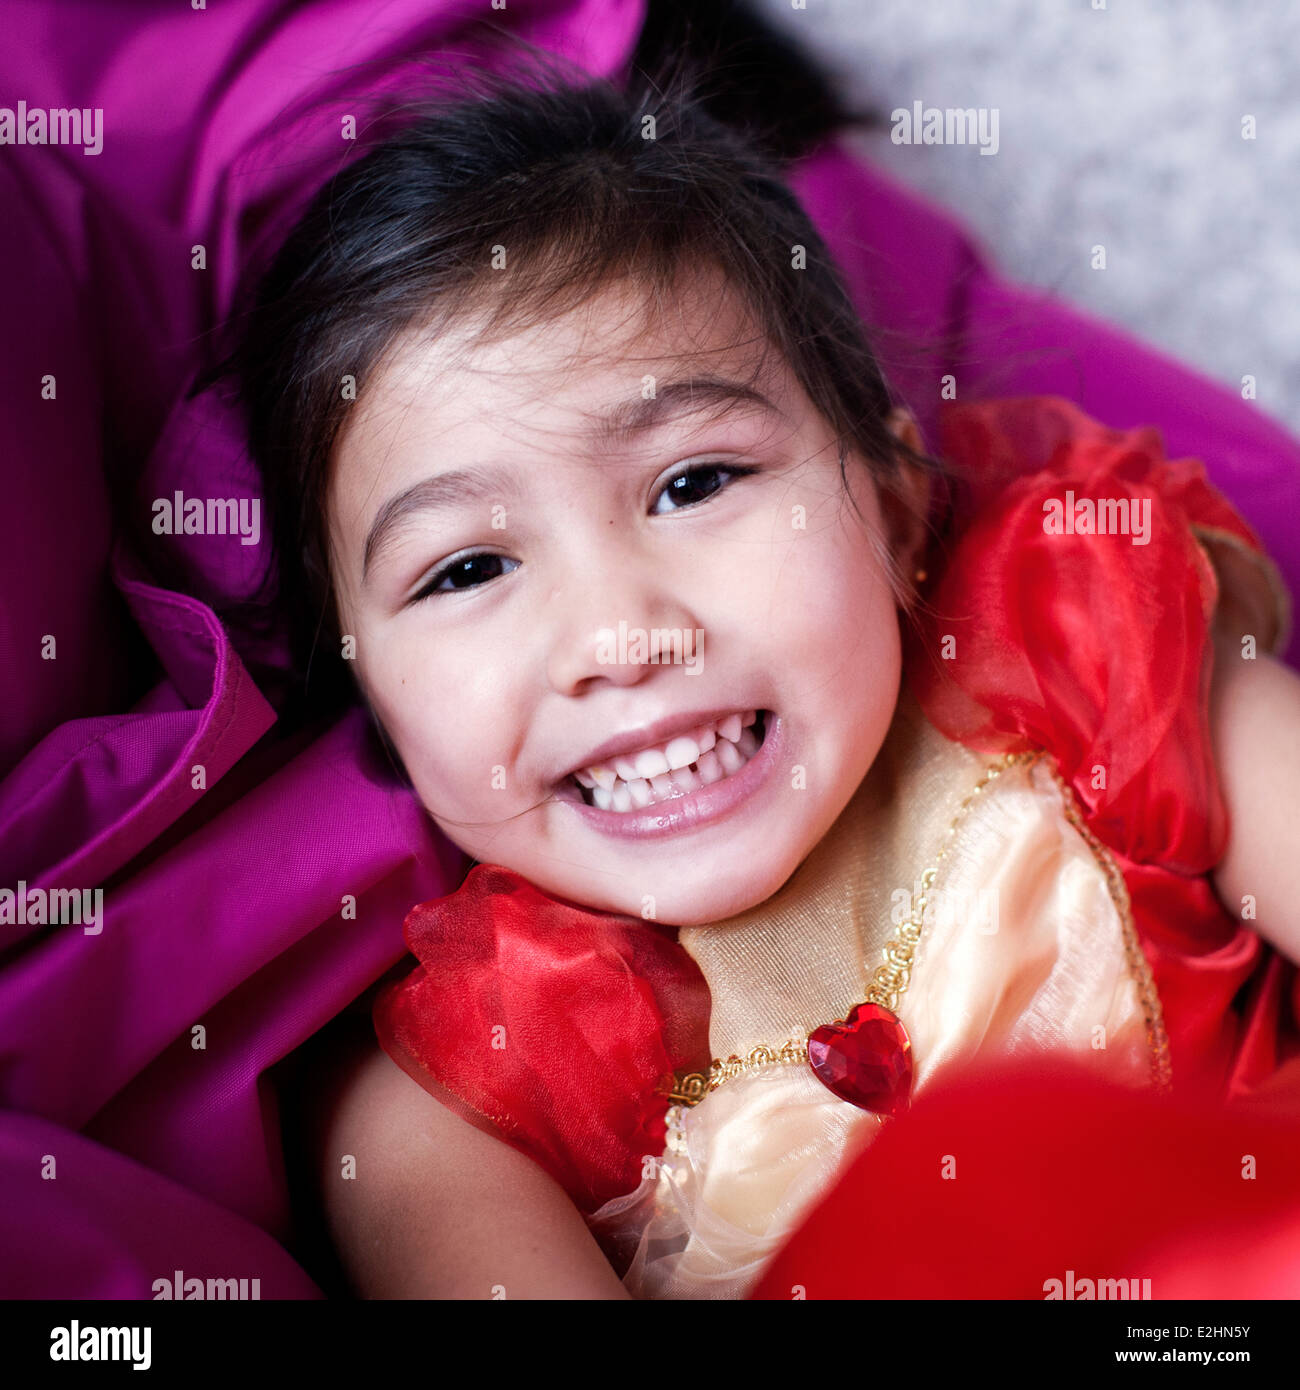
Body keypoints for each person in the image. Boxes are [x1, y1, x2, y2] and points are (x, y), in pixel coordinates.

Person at [225, 42, 1300, 1299]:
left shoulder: (1090, 656)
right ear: (368, 693)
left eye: (694, 483)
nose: (618, 634)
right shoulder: (452, 1099)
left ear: (897, 512)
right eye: (465, 570)